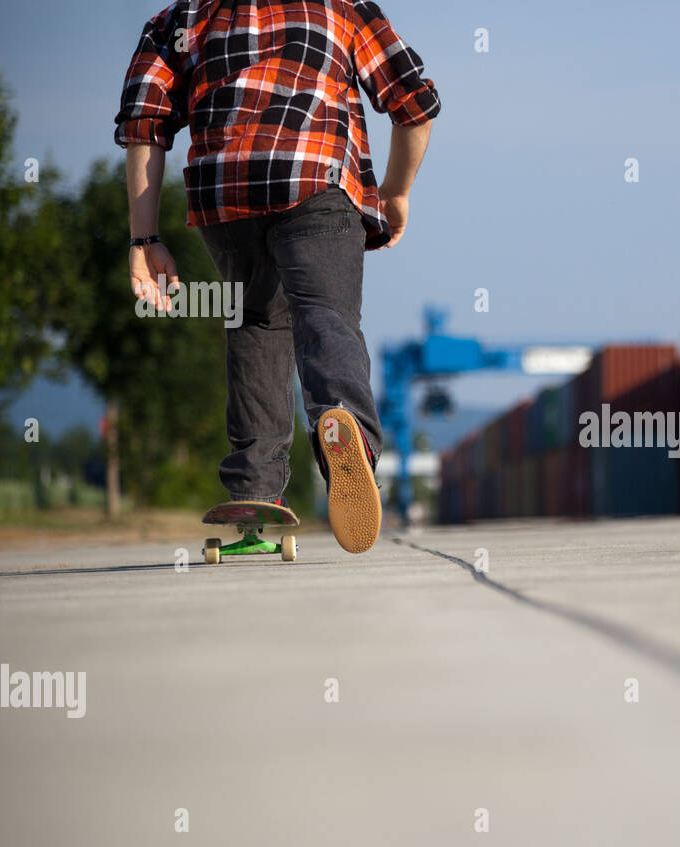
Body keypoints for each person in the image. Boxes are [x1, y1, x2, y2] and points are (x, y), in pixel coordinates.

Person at [114, 0, 439, 553]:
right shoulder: (342, 7)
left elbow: (145, 121)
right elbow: (413, 105)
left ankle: (255, 492)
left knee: (254, 324)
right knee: (324, 314)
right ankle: (345, 425)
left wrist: (144, 240)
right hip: (313, 180)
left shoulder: (184, 16)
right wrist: (396, 190)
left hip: (223, 195)